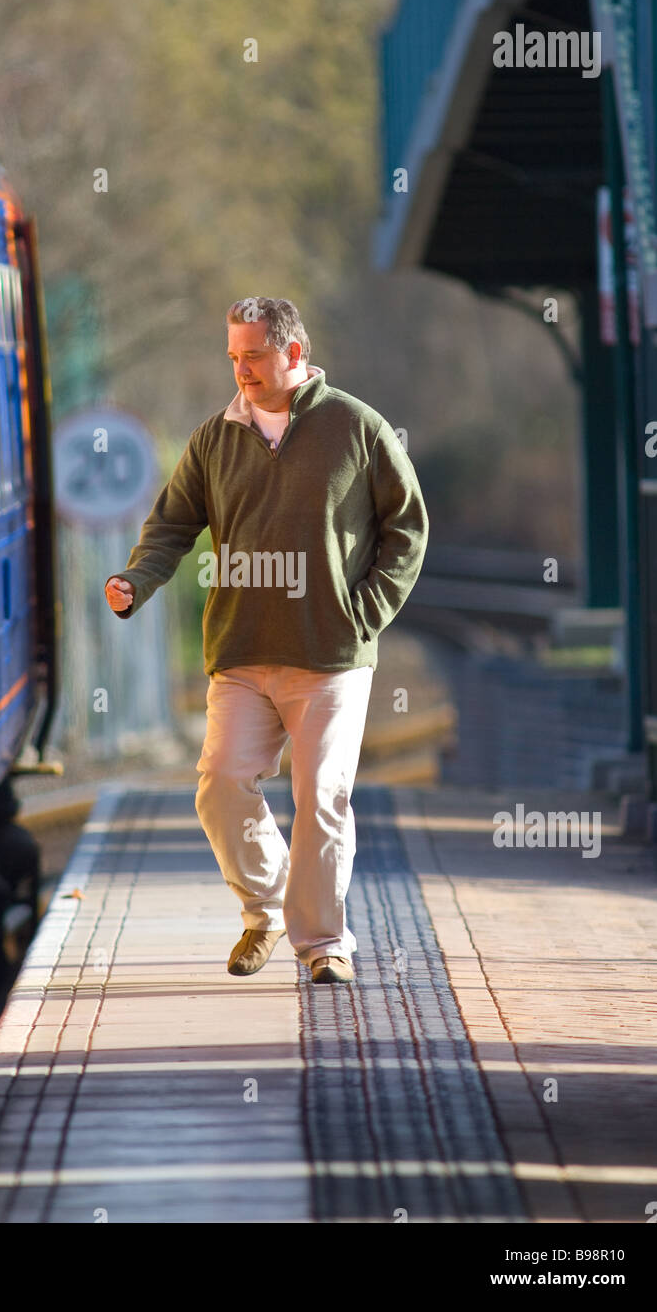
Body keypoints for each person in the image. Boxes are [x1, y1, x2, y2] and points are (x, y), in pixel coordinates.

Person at [105, 297, 428, 984]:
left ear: (294, 353)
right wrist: (136, 580)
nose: (241, 369)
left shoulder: (356, 427)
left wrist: (364, 612)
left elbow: (408, 529)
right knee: (220, 784)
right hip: (242, 648)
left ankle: (323, 946)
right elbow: (170, 527)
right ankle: (266, 907)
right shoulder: (214, 438)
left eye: (253, 355)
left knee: (321, 797)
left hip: (331, 655)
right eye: (233, 356)